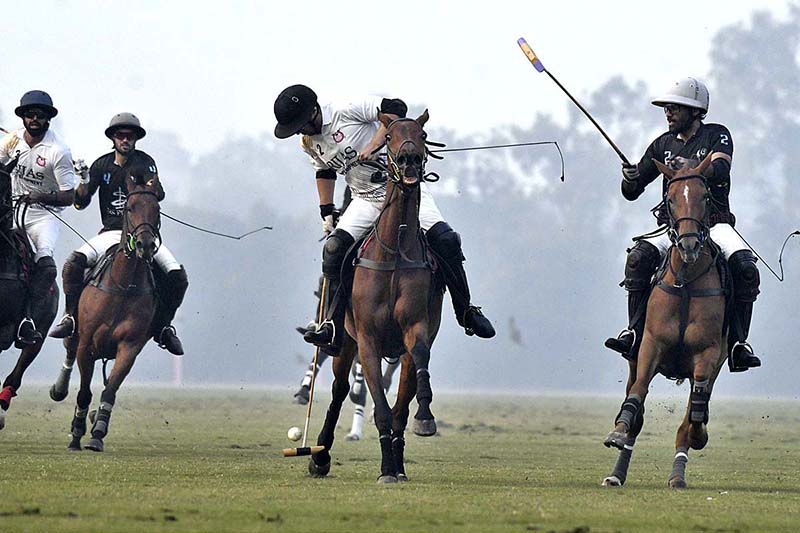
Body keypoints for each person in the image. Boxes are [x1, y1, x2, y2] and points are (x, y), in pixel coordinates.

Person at [273, 84, 495, 355]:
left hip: (404, 191)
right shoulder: (308, 141)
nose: (299, 132)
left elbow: (396, 108)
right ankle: (331, 324)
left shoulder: (347, 110)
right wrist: (326, 211)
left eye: (300, 125)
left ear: (314, 112)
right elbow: (324, 171)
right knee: (332, 249)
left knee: (446, 240)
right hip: (365, 199)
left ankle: (466, 312)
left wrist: (374, 144)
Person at [604, 77, 761, 372]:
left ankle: (739, 343)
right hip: (672, 227)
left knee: (746, 268)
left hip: (715, 224)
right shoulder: (661, 145)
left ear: (695, 111)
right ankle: (633, 331)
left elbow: (720, 167)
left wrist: (685, 166)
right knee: (637, 259)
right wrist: (629, 177)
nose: (668, 113)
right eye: (667, 108)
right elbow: (632, 192)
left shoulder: (717, 135)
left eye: (675, 108)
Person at [48, 113, 188, 356]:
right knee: (72, 264)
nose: (125, 140)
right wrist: (83, 178)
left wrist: (151, 185)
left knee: (177, 276)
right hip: (112, 233)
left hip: (142, 234)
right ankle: (70, 317)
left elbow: (159, 194)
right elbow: (80, 202)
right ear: (113, 138)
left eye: (130, 136)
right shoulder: (101, 165)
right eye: (121, 136)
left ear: (135, 140)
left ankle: (165, 326)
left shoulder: (145, 163)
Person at [0, 90, 77, 345]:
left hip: (44, 215)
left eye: (40, 115)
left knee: (45, 261)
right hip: (10, 210)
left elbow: (70, 195)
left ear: (47, 119)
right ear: (23, 117)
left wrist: (41, 195)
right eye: (29, 114)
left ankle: (27, 320)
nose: (34, 119)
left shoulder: (59, 151)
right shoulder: (11, 142)